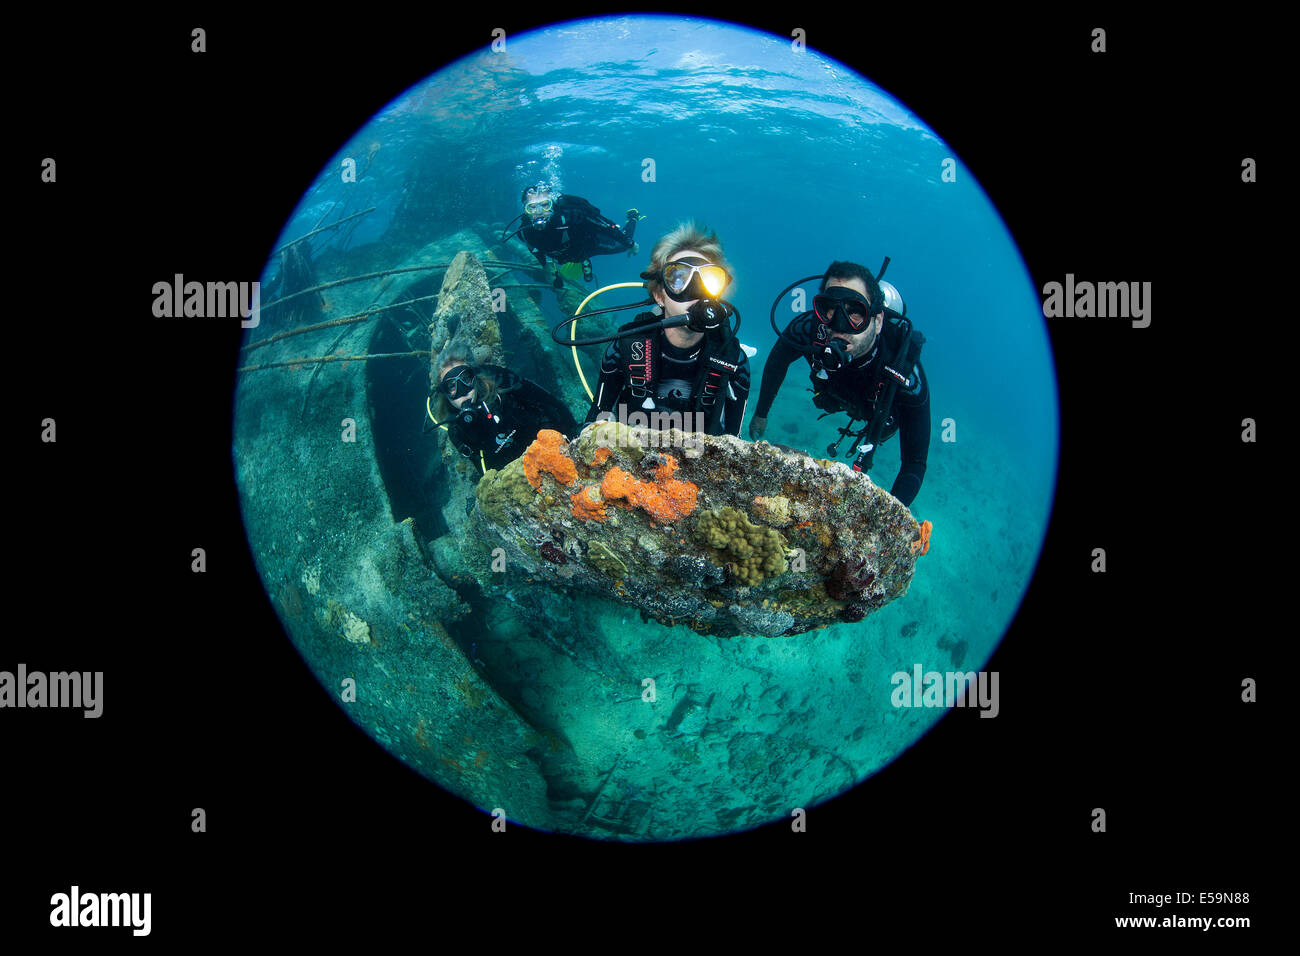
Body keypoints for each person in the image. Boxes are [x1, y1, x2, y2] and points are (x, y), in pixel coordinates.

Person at [751, 260, 930, 507]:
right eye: (829, 308)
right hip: (834, 395)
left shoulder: (904, 369)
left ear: (877, 321)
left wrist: (888, 520)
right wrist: (760, 413)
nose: (839, 324)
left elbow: (915, 461)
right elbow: (778, 360)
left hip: (875, 408)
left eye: (855, 311)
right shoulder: (810, 330)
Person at [584, 223, 750, 437]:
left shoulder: (734, 359)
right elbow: (595, 424)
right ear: (659, 295)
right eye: (679, 278)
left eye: (709, 280)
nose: (697, 291)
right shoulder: (624, 346)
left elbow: (733, 441)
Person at [428, 348, 577, 472]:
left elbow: (549, 402)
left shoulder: (504, 388)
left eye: (465, 379)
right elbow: (486, 472)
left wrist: (572, 435)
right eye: (452, 386)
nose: (463, 391)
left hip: (553, 449)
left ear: (474, 377)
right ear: (445, 394)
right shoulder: (458, 432)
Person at [512, 182, 640, 288]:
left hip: (589, 246)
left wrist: (630, 243)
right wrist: (545, 266)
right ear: (525, 210)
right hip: (564, 257)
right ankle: (583, 262)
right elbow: (534, 249)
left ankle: (632, 218)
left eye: (545, 205)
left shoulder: (571, 215)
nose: (539, 212)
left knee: (622, 246)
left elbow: (604, 224)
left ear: (553, 203)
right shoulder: (524, 232)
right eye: (532, 207)